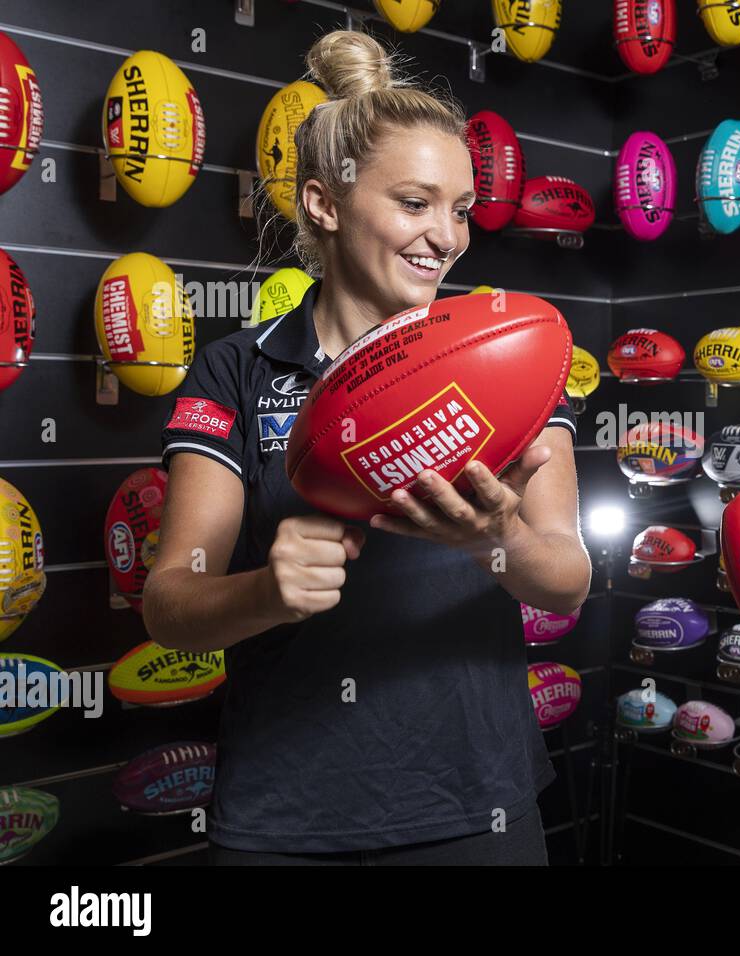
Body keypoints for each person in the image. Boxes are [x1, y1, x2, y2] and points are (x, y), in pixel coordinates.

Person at [142, 30, 591, 865]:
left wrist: (503, 544)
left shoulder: (517, 362)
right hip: (283, 818)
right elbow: (170, 606)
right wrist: (267, 594)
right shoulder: (235, 368)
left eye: (459, 210)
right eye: (415, 204)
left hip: (475, 809)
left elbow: (567, 580)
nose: (447, 237)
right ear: (324, 202)